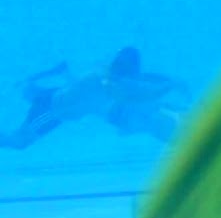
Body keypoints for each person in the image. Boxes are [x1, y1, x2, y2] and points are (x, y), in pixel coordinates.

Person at [0, 46, 190, 150]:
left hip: (57, 99)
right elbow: (132, 95)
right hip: (50, 112)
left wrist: (169, 81)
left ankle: (51, 76)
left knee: (34, 96)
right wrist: (168, 86)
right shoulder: (104, 82)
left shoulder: (108, 75)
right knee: (19, 142)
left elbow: (138, 81)